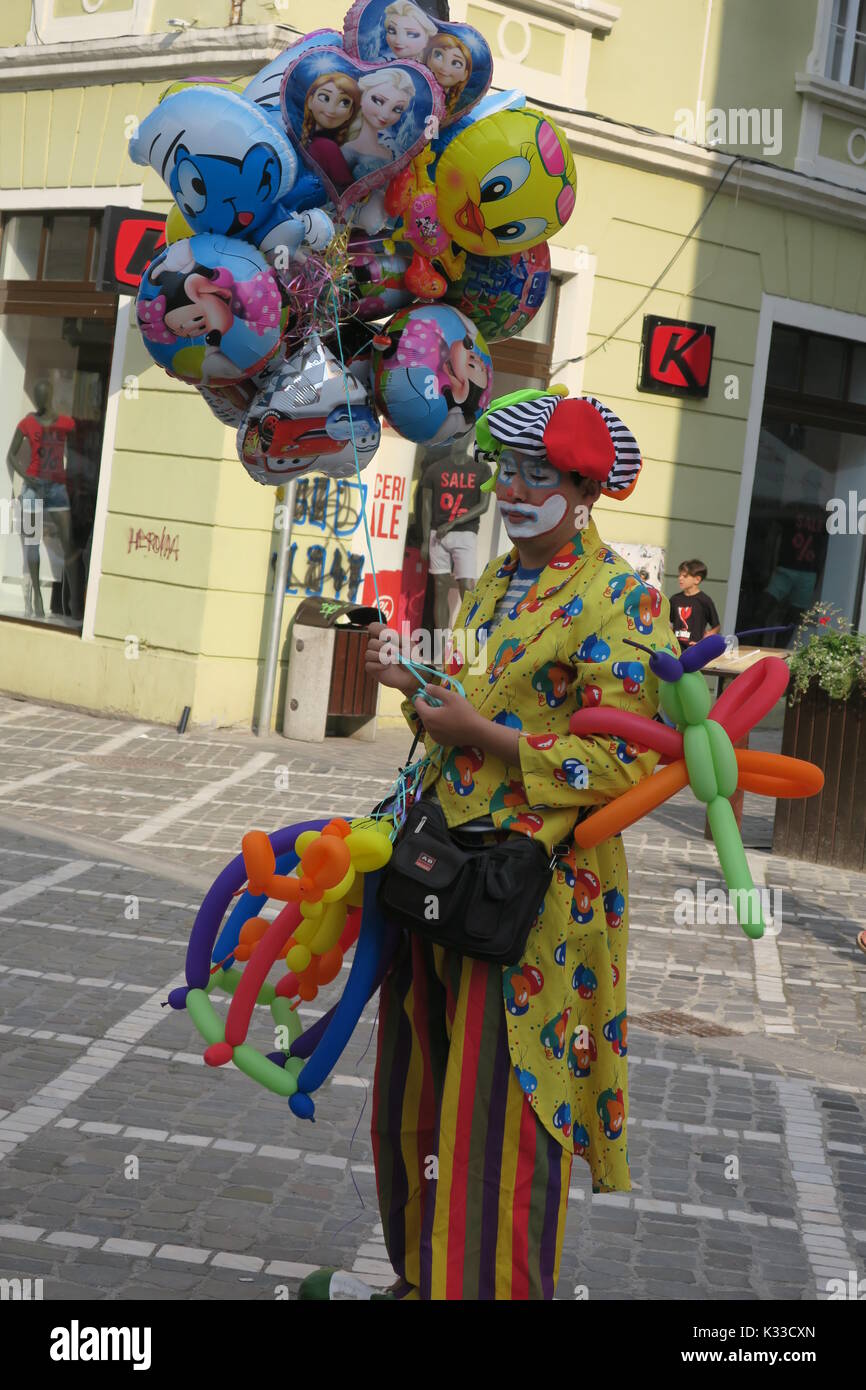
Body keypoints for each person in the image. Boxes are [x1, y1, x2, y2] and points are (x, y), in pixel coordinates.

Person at [298, 387, 676, 1301]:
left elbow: (626, 762)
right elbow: (479, 708)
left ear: (585, 488)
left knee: (496, 1110)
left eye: (539, 473)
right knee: (415, 1092)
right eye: (508, 469)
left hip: (532, 898)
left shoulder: (623, 596)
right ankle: (425, 1278)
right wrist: (417, 685)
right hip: (440, 862)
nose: (514, 487)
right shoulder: (506, 579)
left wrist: (483, 735)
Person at [6, 379, 82, 622]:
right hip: (32, 488)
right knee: (32, 543)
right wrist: (25, 474)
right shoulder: (26, 423)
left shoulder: (65, 422)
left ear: (48, 396)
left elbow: (76, 453)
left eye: (43, 394)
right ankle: (37, 594)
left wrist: (74, 479)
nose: (39, 399)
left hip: (57, 487)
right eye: (36, 395)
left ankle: (76, 601)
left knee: (68, 543)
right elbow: (11, 455)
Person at [419, 440, 491, 631]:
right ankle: (442, 650)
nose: (459, 440)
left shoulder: (482, 469)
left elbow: (483, 505)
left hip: (465, 533)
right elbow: (426, 507)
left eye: (464, 435)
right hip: (437, 534)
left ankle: (467, 640)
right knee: (440, 587)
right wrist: (426, 539)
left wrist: (454, 522)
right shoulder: (434, 470)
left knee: (467, 586)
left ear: (471, 437)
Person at [342, 70, 415, 180]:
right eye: (378, 101)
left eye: (397, 109)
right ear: (362, 97)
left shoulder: (392, 153)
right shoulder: (348, 151)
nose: (385, 115)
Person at [300, 71, 360, 193]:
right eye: (324, 97)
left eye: (344, 102)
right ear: (310, 101)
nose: (331, 110)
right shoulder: (327, 147)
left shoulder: (328, 147)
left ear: (350, 113)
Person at [669, 558, 720, 650]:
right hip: (674, 648)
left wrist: (702, 643)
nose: (680, 578)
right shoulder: (674, 599)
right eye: (679, 575)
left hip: (694, 649)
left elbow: (716, 627)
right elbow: (668, 623)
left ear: (697, 579)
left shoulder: (704, 600)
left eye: (685, 576)